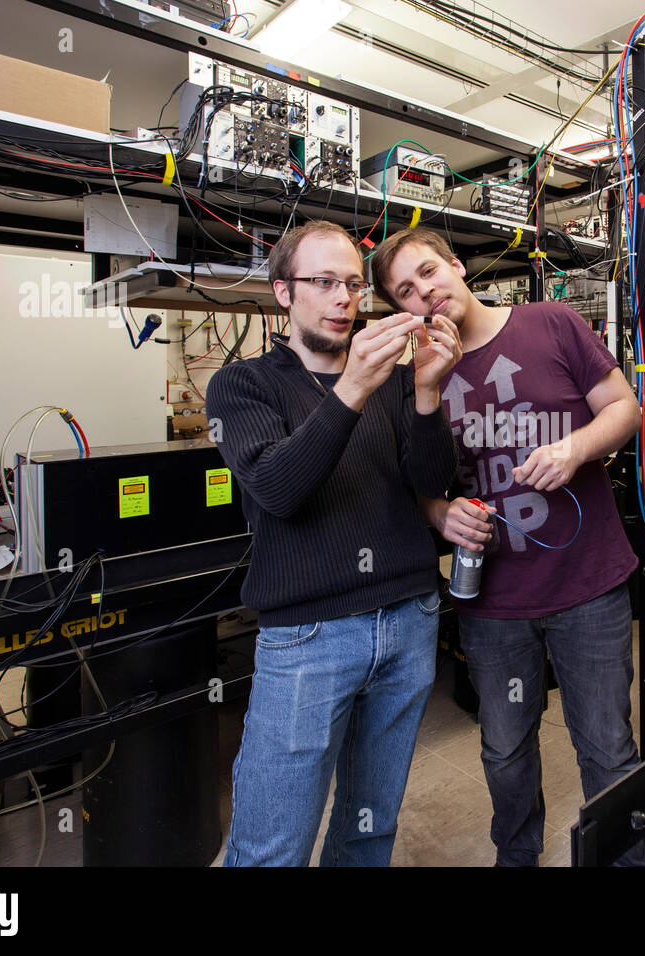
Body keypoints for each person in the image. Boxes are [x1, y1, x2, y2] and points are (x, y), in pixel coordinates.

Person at [372, 227, 642, 866]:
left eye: (430, 273)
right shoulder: (414, 377)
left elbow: (624, 408)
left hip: (588, 586)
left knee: (606, 745)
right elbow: (411, 486)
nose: (426, 295)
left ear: (457, 266)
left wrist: (575, 448)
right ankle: (516, 857)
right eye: (405, 293)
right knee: (505, 749)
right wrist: (439, 514)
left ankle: (622, 858)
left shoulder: (552, 323)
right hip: (492, 602)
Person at [206, 219, 461, 866]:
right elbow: (278, 486)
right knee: (271, 846)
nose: (343, 297)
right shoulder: (244, 386)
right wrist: (353, 388)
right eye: (323, 282)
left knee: (368, 831)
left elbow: (433, 483)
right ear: (284, 293)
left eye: (352, 283)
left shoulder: (397, 382)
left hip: (408, 621)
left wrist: (427, 390)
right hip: (308, 640)